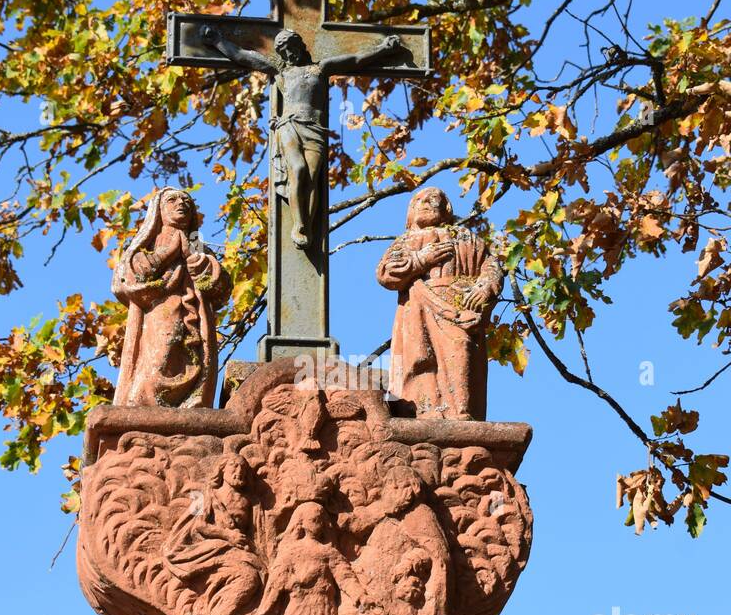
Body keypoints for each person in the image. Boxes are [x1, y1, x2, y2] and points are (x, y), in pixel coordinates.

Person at [193, 23, 403, 248]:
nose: (288, 54)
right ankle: (298, 225)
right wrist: (216, 40)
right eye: (283, 52)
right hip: (289, 125)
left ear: (300, 46)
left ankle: (307, 227)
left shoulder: (321, 68)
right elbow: (244, 56)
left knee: (312, 177)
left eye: (291, 48)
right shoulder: (281, 71)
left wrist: (384, 49)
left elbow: (356, 60)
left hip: (314, 129)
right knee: (299, 169)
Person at [377, 186, 503, 421]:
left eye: (434, 199)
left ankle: (460, 412)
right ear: (411, 211)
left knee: (461, 350)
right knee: (420, 358)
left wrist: (485, 286)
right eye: (420, 200)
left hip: (462, 305)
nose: (427, 202)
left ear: (446, 209)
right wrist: (421, 259)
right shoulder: (406, 241)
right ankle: (423, 411)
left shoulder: (466, 237)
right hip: (419, 307)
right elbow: (386, 274)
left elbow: (492, 267)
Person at [112, 186, 231, 407]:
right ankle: (144, 402)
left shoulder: (199, 249)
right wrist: (165, 254)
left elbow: (221, 288)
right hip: (159, 311)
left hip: (196, 314)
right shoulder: (146, 246)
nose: (181, 204)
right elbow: (127, 279)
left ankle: (192, 400)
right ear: (159, 210)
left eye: (186, 201)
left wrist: (195, 259)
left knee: (195, 356)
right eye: (172, 200)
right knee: (160, 354)